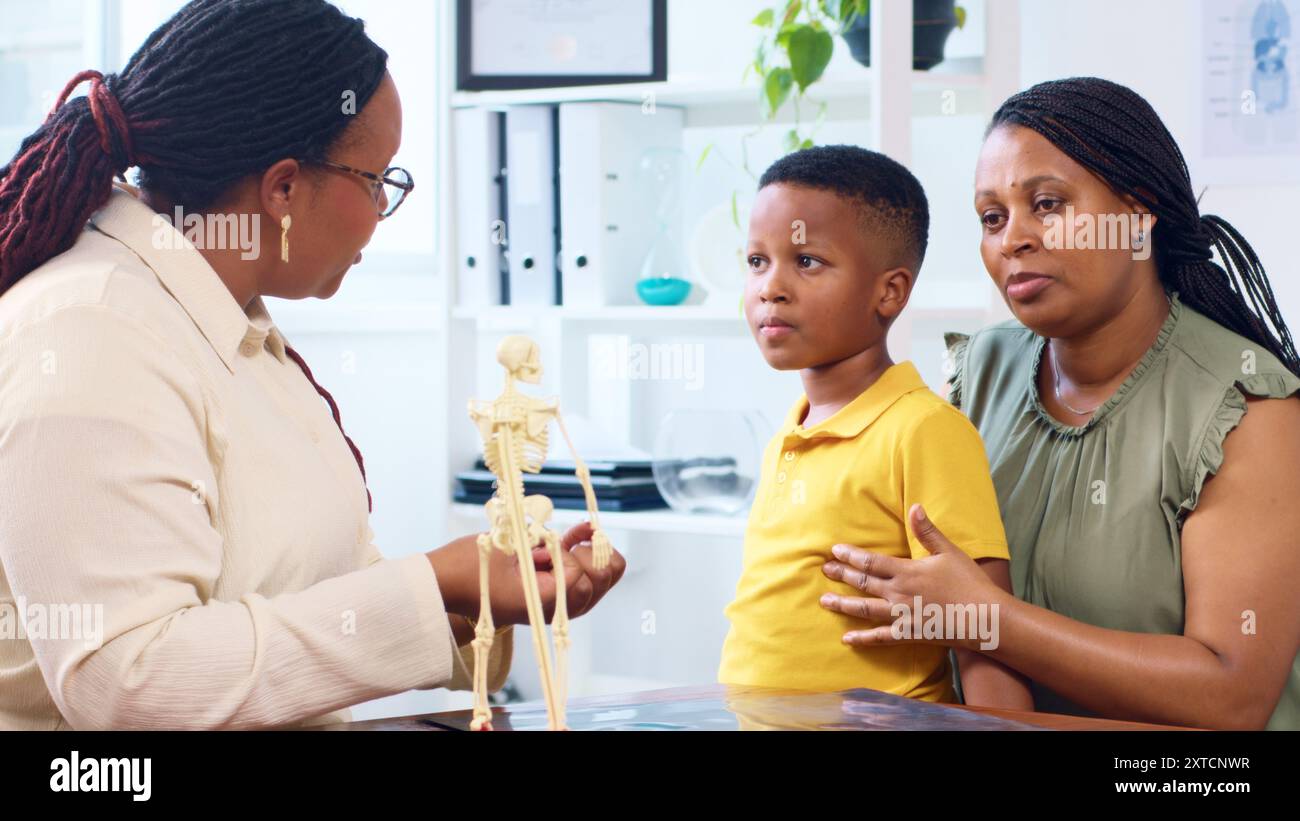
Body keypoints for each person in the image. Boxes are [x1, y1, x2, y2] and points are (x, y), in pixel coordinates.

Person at [0, 0, 624, 731]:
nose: (380, 212)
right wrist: (432, 580)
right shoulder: (91, 330)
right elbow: (133, 682)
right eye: (376, 180)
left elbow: (303, 598)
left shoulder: (228, 322)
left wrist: (476, 592)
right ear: (285, 187)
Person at [820, 77, 1300, 729]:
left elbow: (1232, 695)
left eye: (1046, 204)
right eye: (992, 217)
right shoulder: (978, 370)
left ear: (1138, 215)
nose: (1012, 238)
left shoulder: (1249, 407)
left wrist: (989, 618)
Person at [717, 145, 1031, 708]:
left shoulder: (925, 430)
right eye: (757, 262)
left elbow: (984, 633)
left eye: (806, 261)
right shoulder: (786, 436)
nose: (771, 287)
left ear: (889, 292)